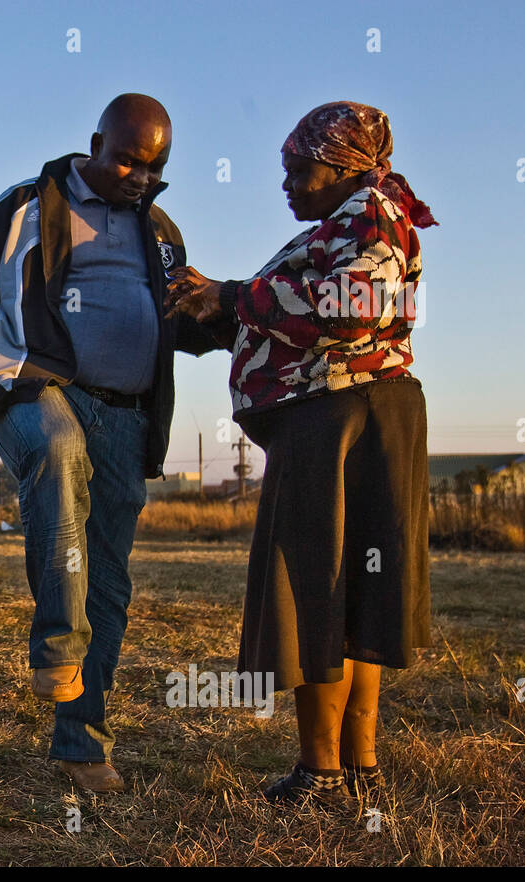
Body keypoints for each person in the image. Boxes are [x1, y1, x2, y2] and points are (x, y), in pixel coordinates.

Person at [0, 93, 226, 792]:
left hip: (129, 417)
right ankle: (55, 647)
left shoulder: (159, 228)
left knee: (109, 587)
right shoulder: (28, 205)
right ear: (95, 142)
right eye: (126, 158)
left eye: (154, 165)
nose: (139, 174)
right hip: (42, 391)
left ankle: (81, 745)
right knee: (58, 452)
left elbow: (174, 328)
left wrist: (219, 309)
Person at [165, 101, 436, 805]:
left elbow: (354, 307)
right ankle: (358, 768)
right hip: (360, 420)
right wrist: (216, 309)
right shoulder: (352, 222)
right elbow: (302, 320)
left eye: (299, 169)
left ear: (344, 167)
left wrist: (234, 294)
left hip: (340, 426)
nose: (286, 183)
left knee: (319, 595)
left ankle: (320, 775)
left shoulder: (370, 215)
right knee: (352, 600)